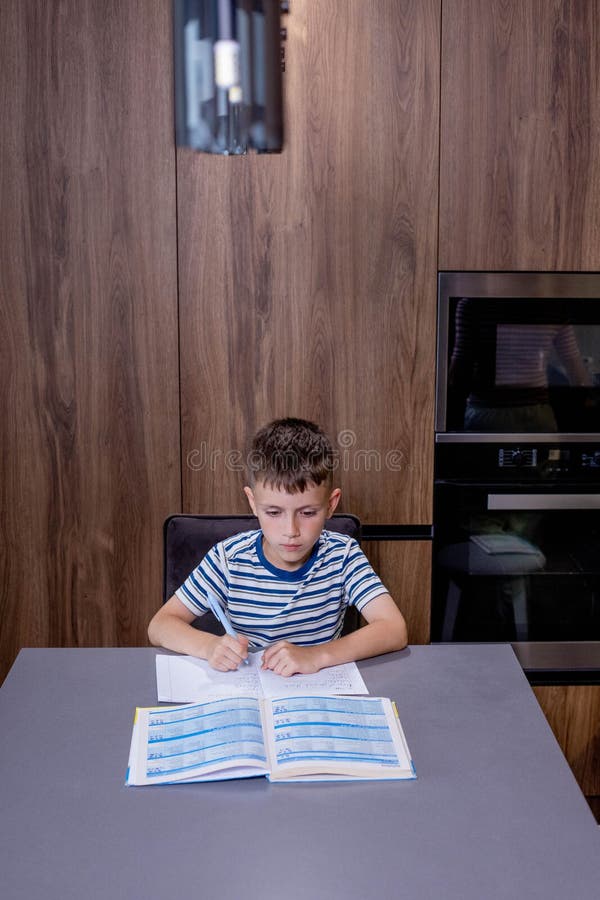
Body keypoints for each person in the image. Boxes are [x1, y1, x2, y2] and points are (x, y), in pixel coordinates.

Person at [148, 417, 408, 676]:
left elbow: (394, 628)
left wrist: (316, 656)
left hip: (318, 689)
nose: (291, 531)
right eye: (273, 512)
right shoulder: (227, 559)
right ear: (253, 502)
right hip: (247, 689)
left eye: (308, 513)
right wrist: (208, 646)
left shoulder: (343, 555)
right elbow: (160, 625)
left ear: (331, 504)